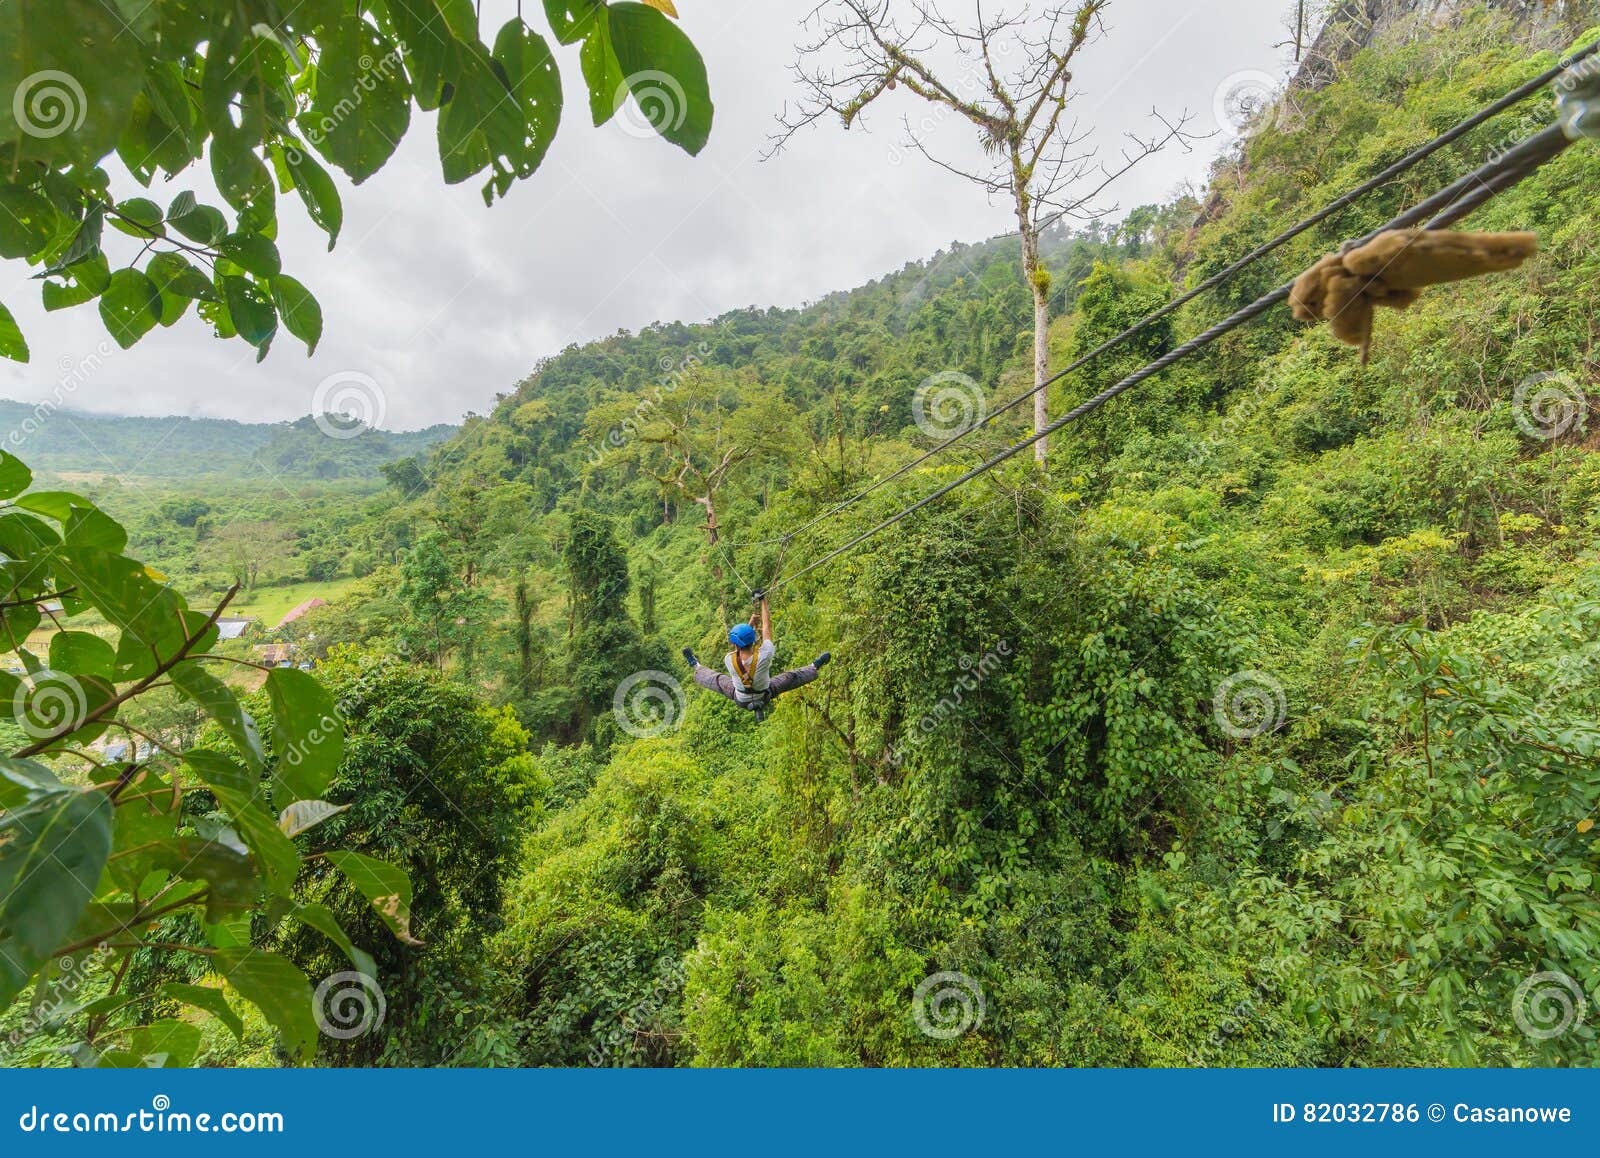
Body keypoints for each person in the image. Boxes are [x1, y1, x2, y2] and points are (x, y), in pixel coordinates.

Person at [683, 592, 830, 720]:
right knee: (790, 677)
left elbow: (739, 647)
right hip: (764, 695)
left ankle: (696, 665)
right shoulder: (765, 655)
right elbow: (767, 627)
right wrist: (763, 600)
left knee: (717, 680)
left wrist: (750, 625)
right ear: (753, 640)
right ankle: (814, 666)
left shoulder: (729, 659)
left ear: (735, 644)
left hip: (740, 698)